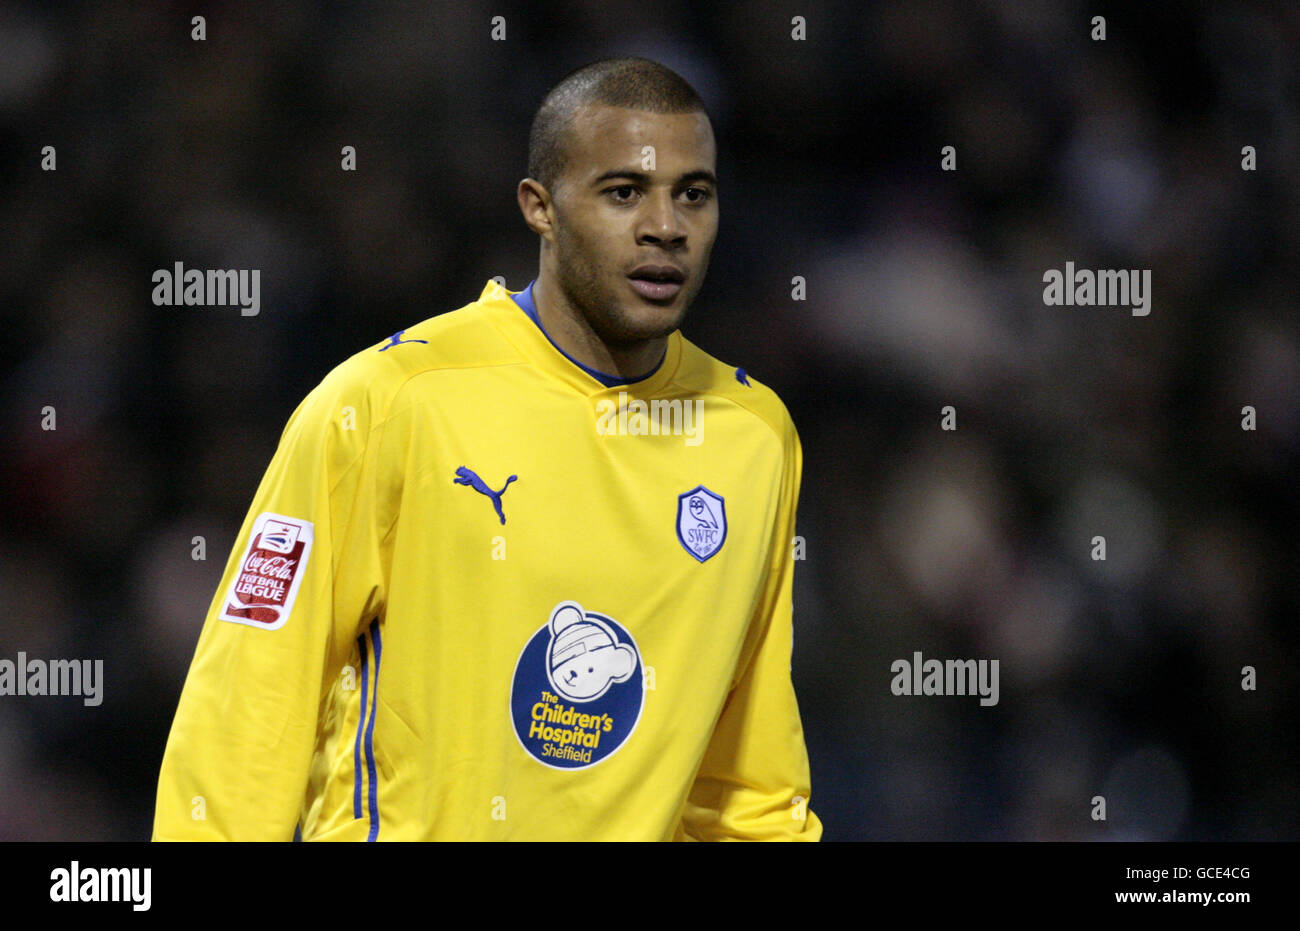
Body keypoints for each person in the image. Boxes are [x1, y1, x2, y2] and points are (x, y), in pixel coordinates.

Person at [153, 57, 821, 841]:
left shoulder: (752, 434)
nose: (665, 227)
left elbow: (748, 783)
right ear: (540, 208)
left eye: (693, 195)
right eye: (623, 193)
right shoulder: (387, 403)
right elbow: (249, 703)